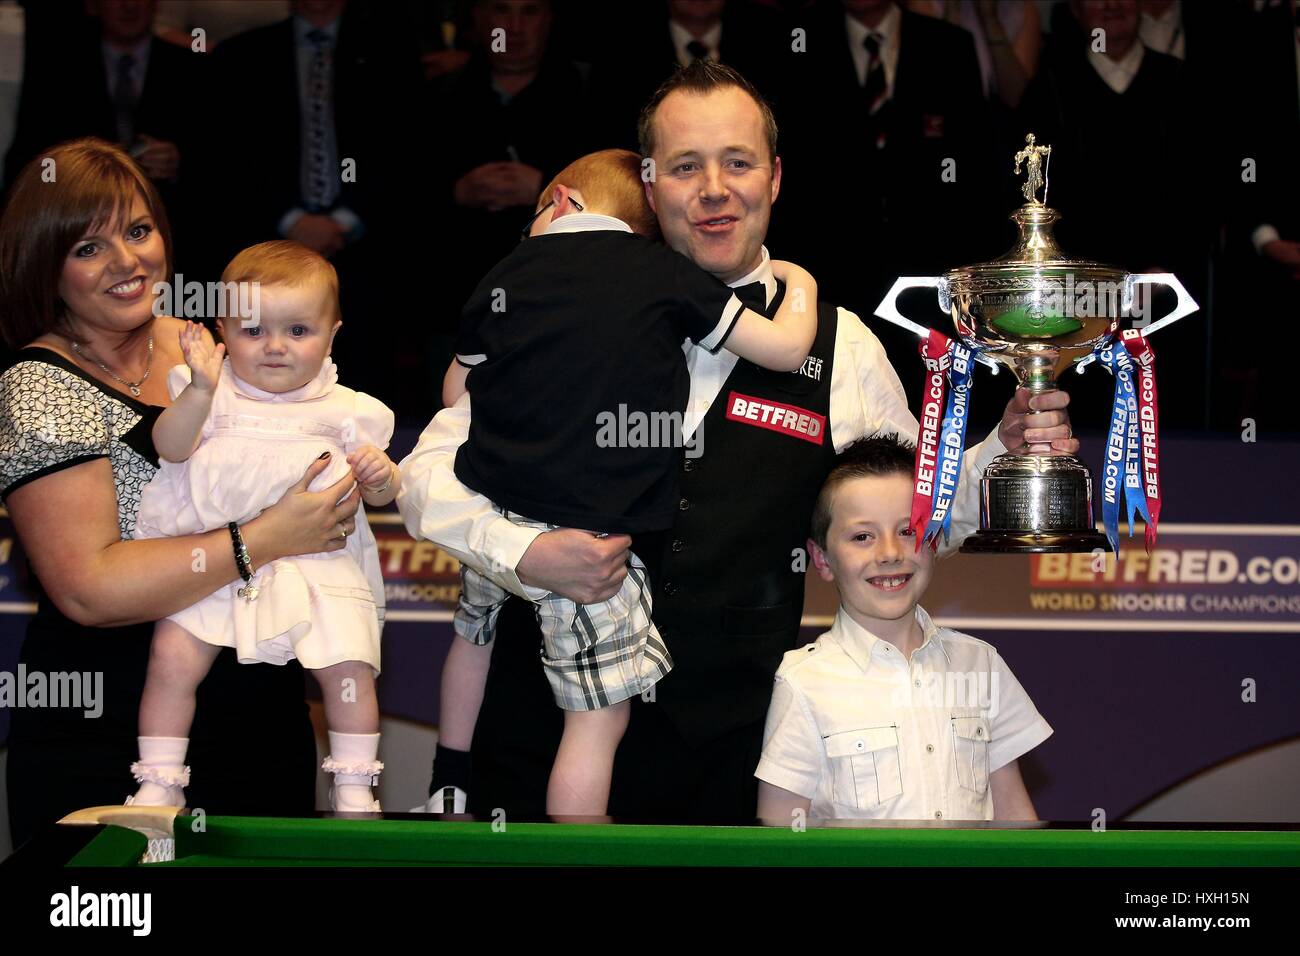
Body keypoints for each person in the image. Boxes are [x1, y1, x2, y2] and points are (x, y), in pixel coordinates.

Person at [398, 60, 1075, 822]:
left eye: (737, 162)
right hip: (536, 747)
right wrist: (524, 554)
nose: (714, 188)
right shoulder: (553, 309)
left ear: (775, 177)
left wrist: (1005, 453)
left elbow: (922, 514)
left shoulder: (839, 345)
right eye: (687, 166)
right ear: (651, 185)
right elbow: (427, 479)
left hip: (730, 767)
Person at [428, 147, 817, 815]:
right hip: (593, 532)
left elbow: (457, 391)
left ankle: (448, 779)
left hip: (499, 510)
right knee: (598, 718)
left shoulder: (509, 273)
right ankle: (580, 842)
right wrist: (801, 282)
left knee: (473, 635)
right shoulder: (661, 272)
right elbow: (785, 348)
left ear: (562, 202)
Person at [0, 138, 360, 847]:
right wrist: (266, 537)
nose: (127, 262)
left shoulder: (221, 345)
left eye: (138, 231)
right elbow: (88, 589)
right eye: (88, 248)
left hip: (258, 707)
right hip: (108, 723)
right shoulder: (36, 385)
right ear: (46, 262)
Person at [128, 241, 398, 813]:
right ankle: (159, 779)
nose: (275, 347)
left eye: (298, 331)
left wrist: (380, 475)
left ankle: (353, 782)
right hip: (213, 562)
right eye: (253, 331)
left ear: (333, 332)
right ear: (224, 330)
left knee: (349, 666)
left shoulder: (347, 408)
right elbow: (170, 449)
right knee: (172, 658)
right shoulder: (209, 392)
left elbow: (381, 492)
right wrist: (200, 390)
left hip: (320, 563)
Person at [755, 434, 1051, 821]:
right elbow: (779, 835)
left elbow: (1014, 814)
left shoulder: (981, 664)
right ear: (822, 559)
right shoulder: (803, 681)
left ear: (936, 539)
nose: (890, 553)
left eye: (908, 529)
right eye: (862, 537)